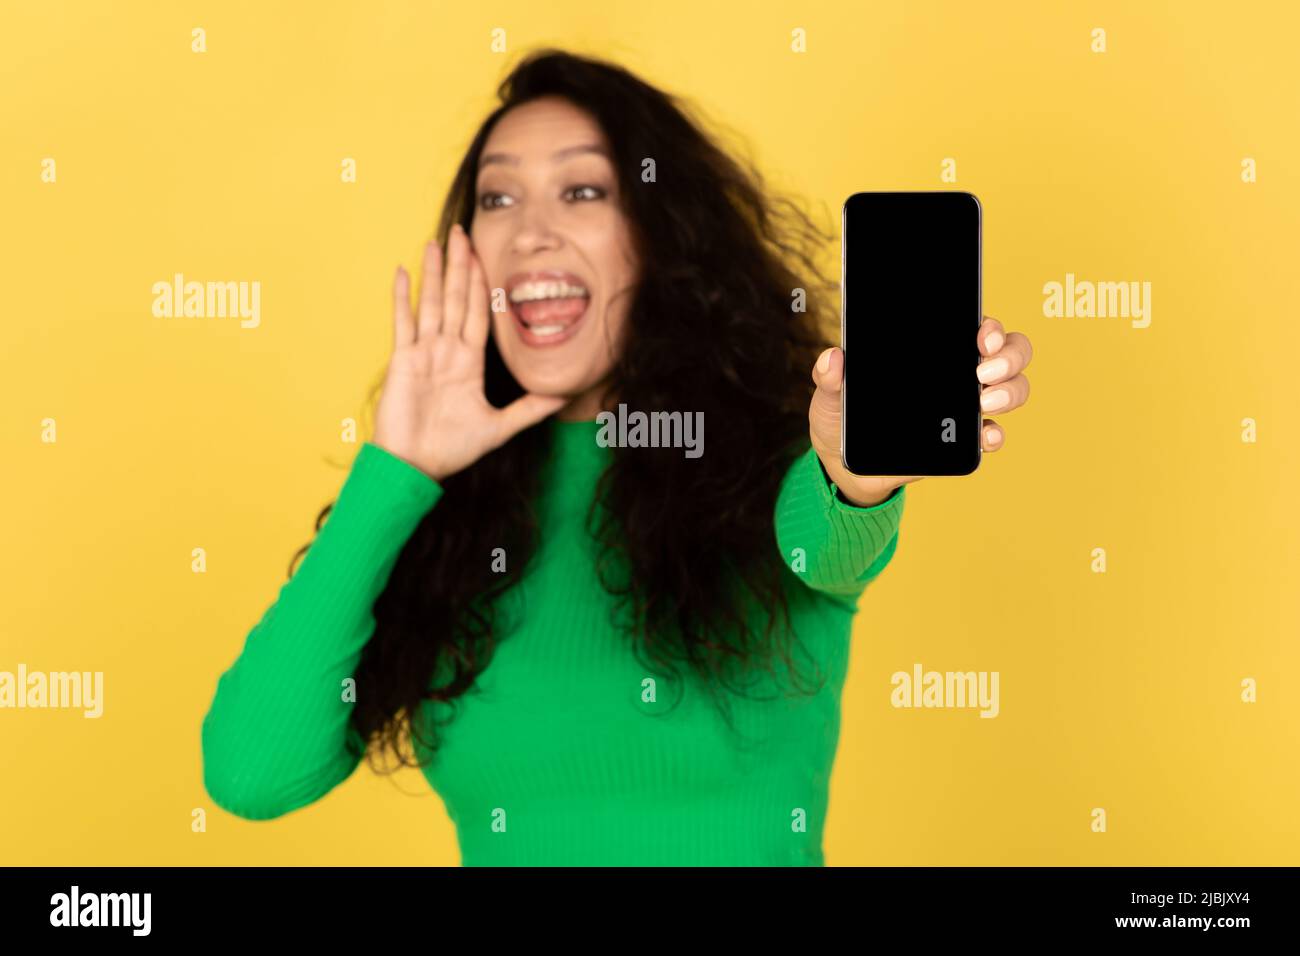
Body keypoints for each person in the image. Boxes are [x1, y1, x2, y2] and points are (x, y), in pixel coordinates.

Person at [201, 48, 1034, 866]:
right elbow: (252, 773)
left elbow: (827, 536)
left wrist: (855, 474)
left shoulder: (769, 457)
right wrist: (396, 467)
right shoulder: (444, 517)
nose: (531, 233)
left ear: (657, 237)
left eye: (582, 190)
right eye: (498, 198)